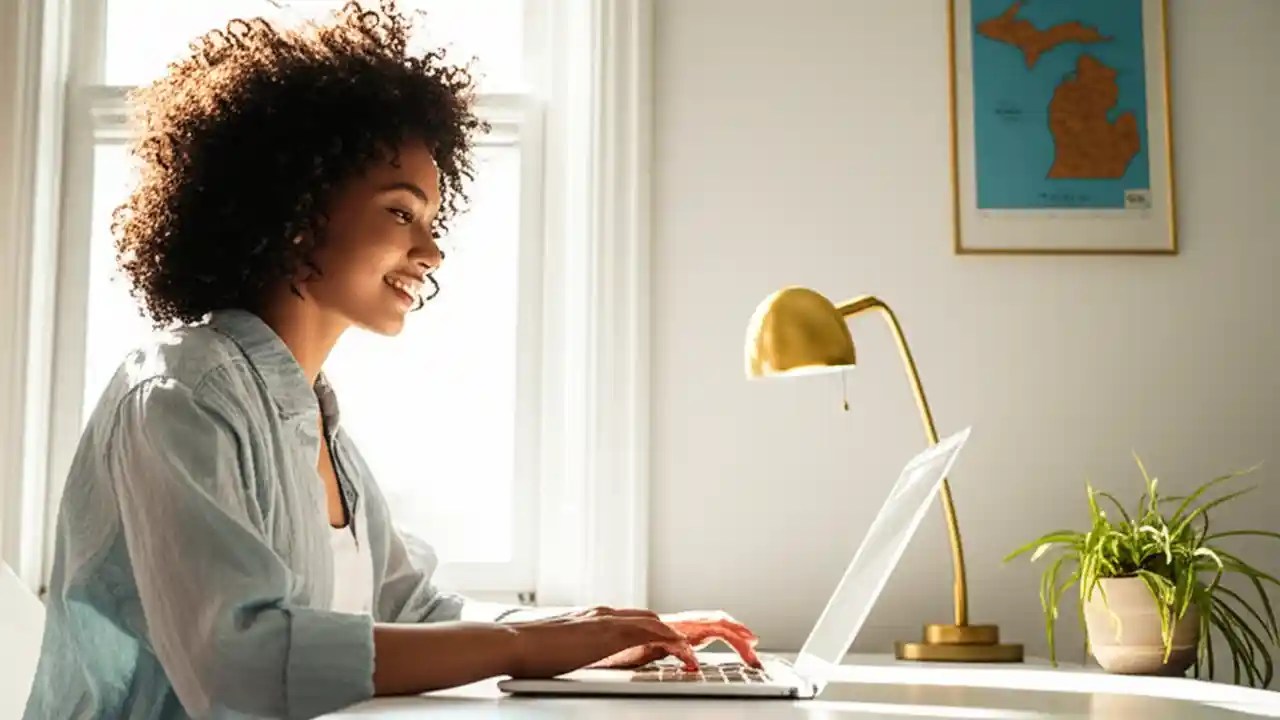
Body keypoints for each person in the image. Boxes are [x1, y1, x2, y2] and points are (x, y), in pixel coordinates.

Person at [23, 3, 759, 718]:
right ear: (294, 209)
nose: (431, 252)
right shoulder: (179, 393)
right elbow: (241, 660)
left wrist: (619, 633)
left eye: (433, 222)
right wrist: (525, 645)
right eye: (402, 212)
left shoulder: (316, 420)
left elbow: (420, 613)